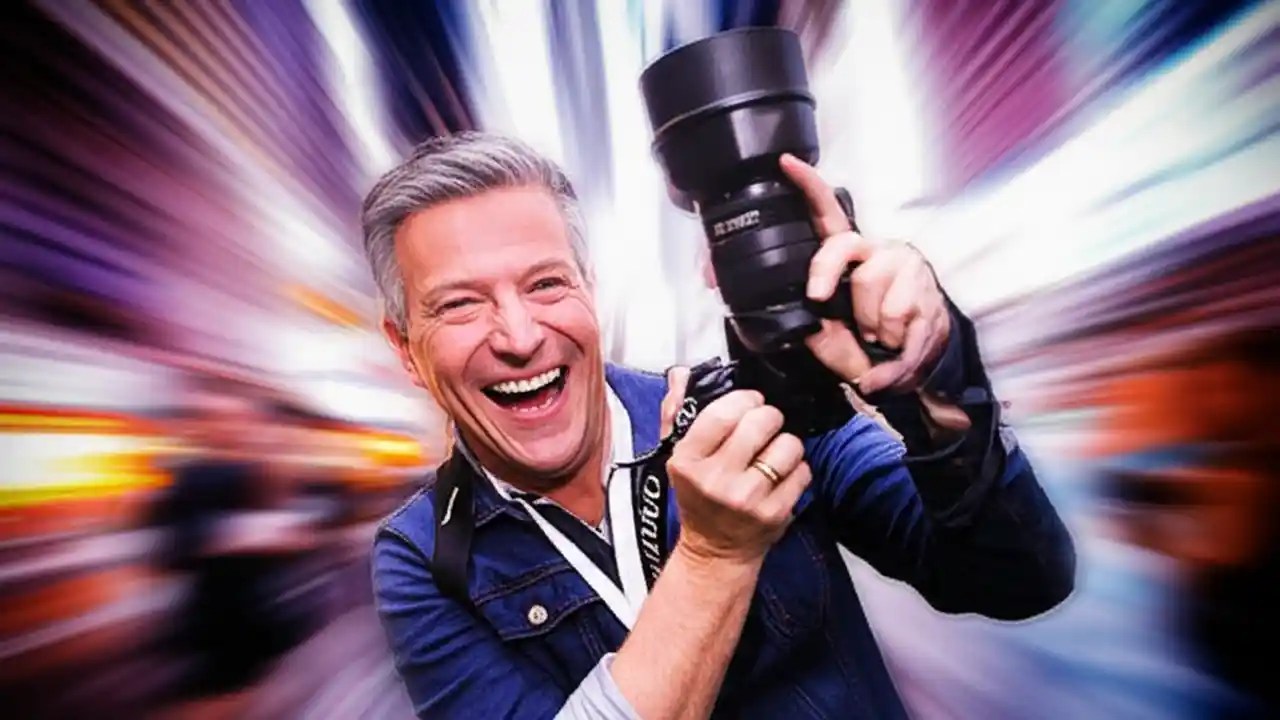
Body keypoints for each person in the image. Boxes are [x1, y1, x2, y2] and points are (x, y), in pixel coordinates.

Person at [362, 131, 1075, 719]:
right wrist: (714, 556)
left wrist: (932, 385)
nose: (518, 336)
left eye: (546, 283)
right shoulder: (422, 558)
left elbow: (1021, 580)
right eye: (459, 305)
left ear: (589, 289)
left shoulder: (749, 410)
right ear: (406, 349)